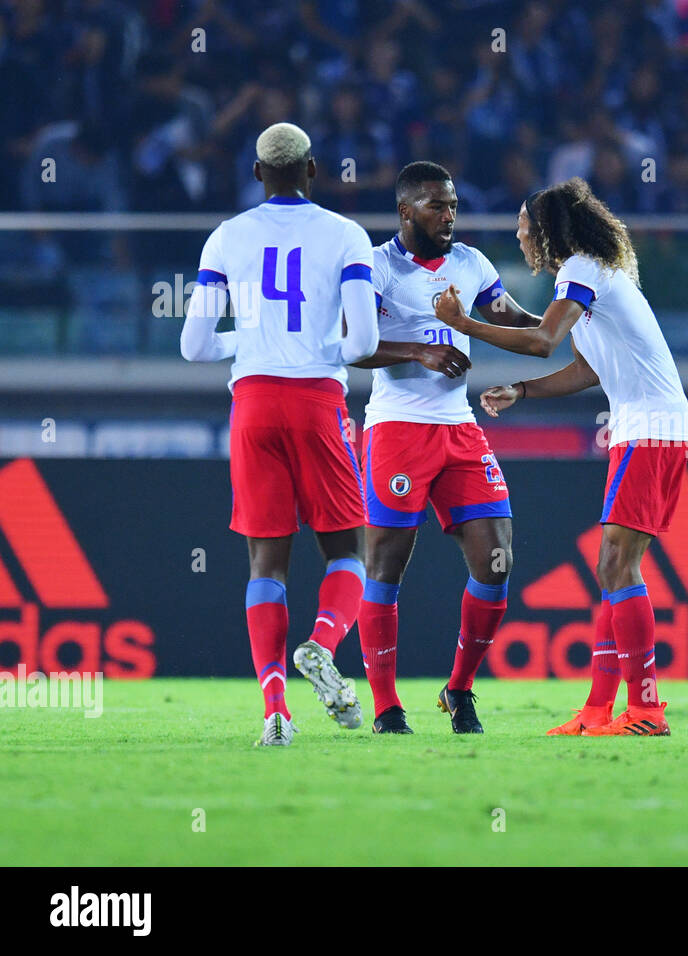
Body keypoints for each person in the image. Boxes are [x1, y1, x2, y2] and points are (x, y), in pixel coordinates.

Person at [432, 177, 688, 737]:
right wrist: (522, 391)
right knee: (613, 568)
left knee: (617, 565)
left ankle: (646, 710)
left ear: (548, 232)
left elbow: (545, 339)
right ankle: (598, 712)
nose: (522, 241)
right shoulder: (593, 274)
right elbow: (587, 367)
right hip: (642, 427)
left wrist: (462, 325)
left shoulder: (580, 269)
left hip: (651, 427)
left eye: (525, 231)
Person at [180, 122, 379, 746]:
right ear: (314, 170)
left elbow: (193, 347)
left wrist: (254, 340)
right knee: (350, 550)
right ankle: (321, 644)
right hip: (317, 399)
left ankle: (275, 712)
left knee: (266, 560)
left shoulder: (226, 237)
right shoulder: (347, 236)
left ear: (258, 173)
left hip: (254, 401)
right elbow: (366, 342)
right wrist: (315, 345)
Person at [351, 161, 541, 735]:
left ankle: (459, 689)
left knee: (496, 563)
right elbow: (350, 345)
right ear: (406, 210)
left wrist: (572, 324)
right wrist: (419, 351)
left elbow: (514, 321)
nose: (449, 215)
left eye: (453, 204)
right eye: (437, 205)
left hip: (459, 428)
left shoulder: (471, 264)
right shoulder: (376, 266)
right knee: (385, 568)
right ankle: (386, 705)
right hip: (397, 428)